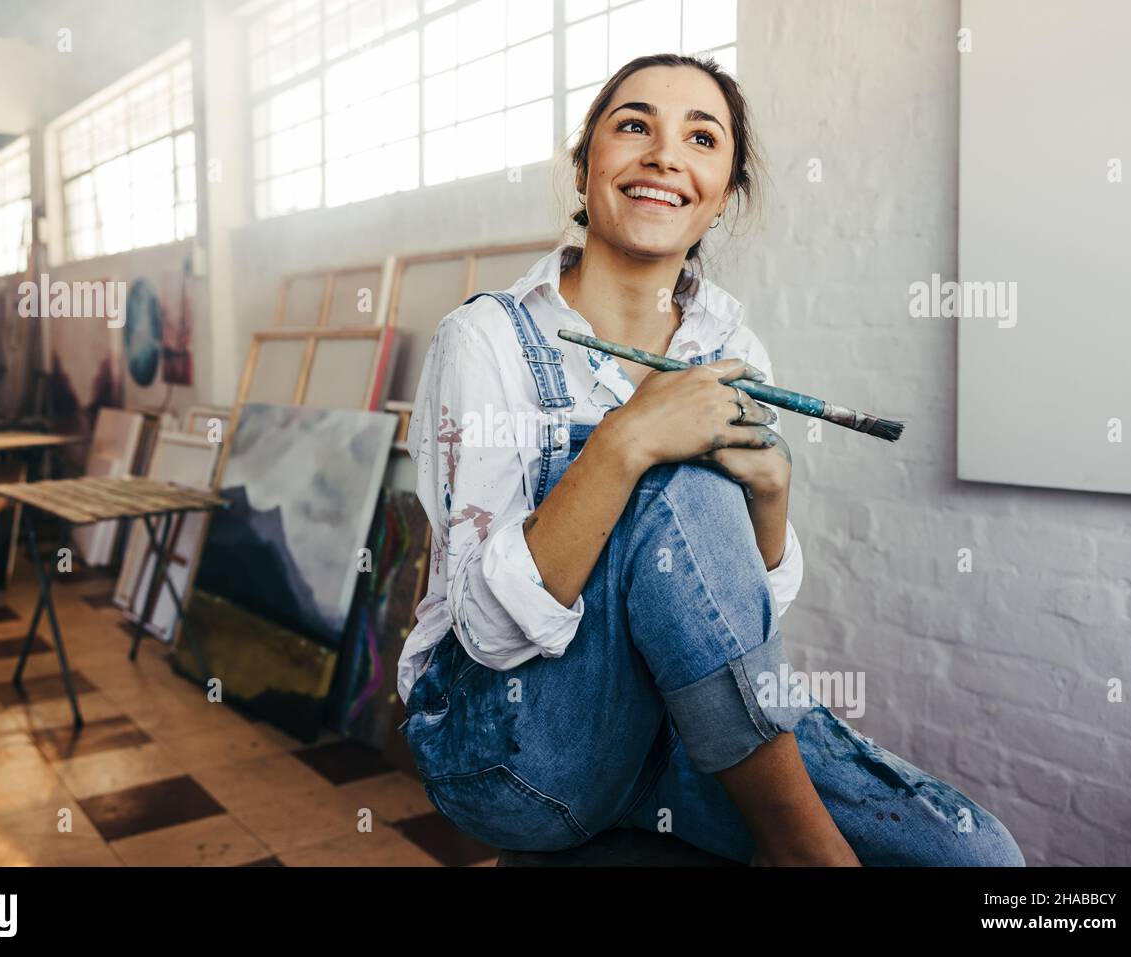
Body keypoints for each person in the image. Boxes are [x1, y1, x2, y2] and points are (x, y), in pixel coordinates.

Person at [397, 53, 1024, 867]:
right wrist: (628, 439)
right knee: (678, 476)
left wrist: (772, 500)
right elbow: (485, 628)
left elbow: (725, 616)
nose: (665, 155)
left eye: (701, 137)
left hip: (675, 731)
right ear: (585, 165)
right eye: (634, 126)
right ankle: (804, 852)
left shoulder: (729, 344)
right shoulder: (484, 341)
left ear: (723, 194)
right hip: (508, 745)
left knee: (976, 859)